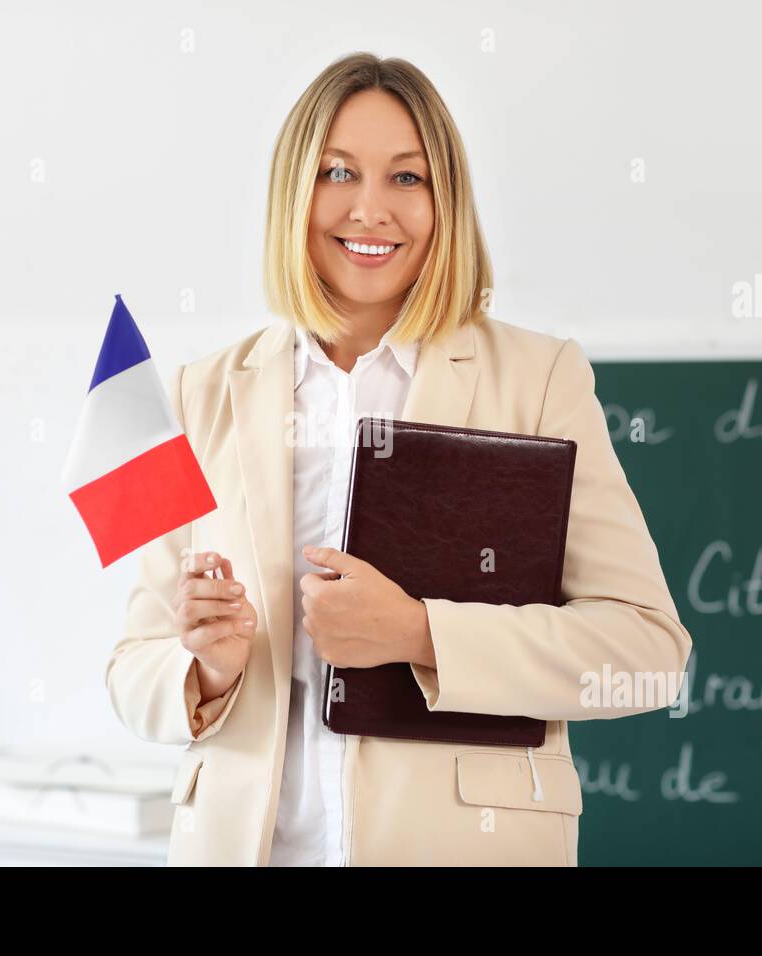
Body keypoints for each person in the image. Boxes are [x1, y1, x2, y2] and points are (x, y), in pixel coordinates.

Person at [105, 51, 693, 866]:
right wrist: (204, 671)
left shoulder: (538, 379)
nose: (370, 209)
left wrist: (421, 634)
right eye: (338, 172)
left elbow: (649, 656)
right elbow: (133, 670)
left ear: (445, 200)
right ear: (293, 193)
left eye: (407, 179)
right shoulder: (201, 393)